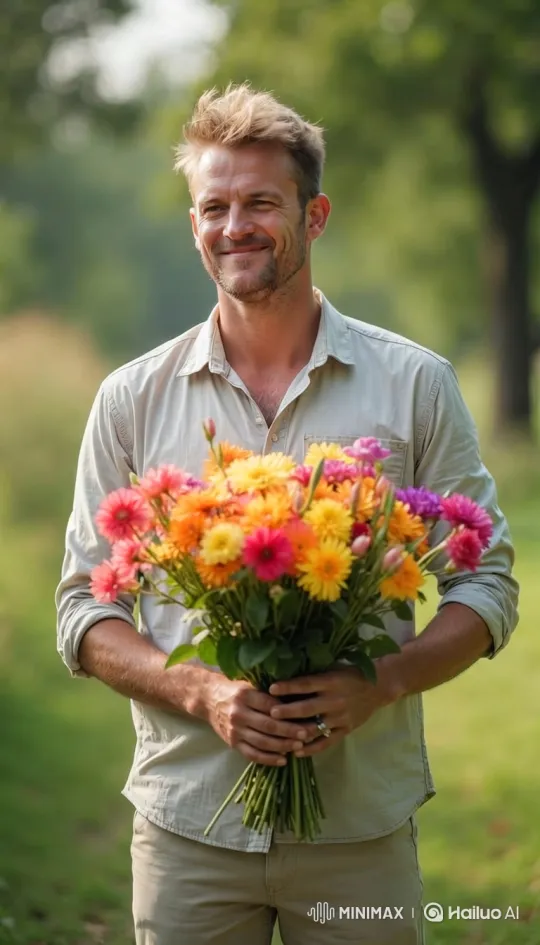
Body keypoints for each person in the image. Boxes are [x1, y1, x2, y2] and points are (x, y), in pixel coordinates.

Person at [56, 83, 519, 945]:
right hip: (188, 823)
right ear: (193, 224)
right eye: (214, 206)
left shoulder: (415, 383)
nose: (236, 226)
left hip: (359, 830)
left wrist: (384, 681)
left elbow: (487, 580)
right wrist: (200, 688)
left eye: (262, 202)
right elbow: (84, 608)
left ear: (316, 215)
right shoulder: (130, 399)